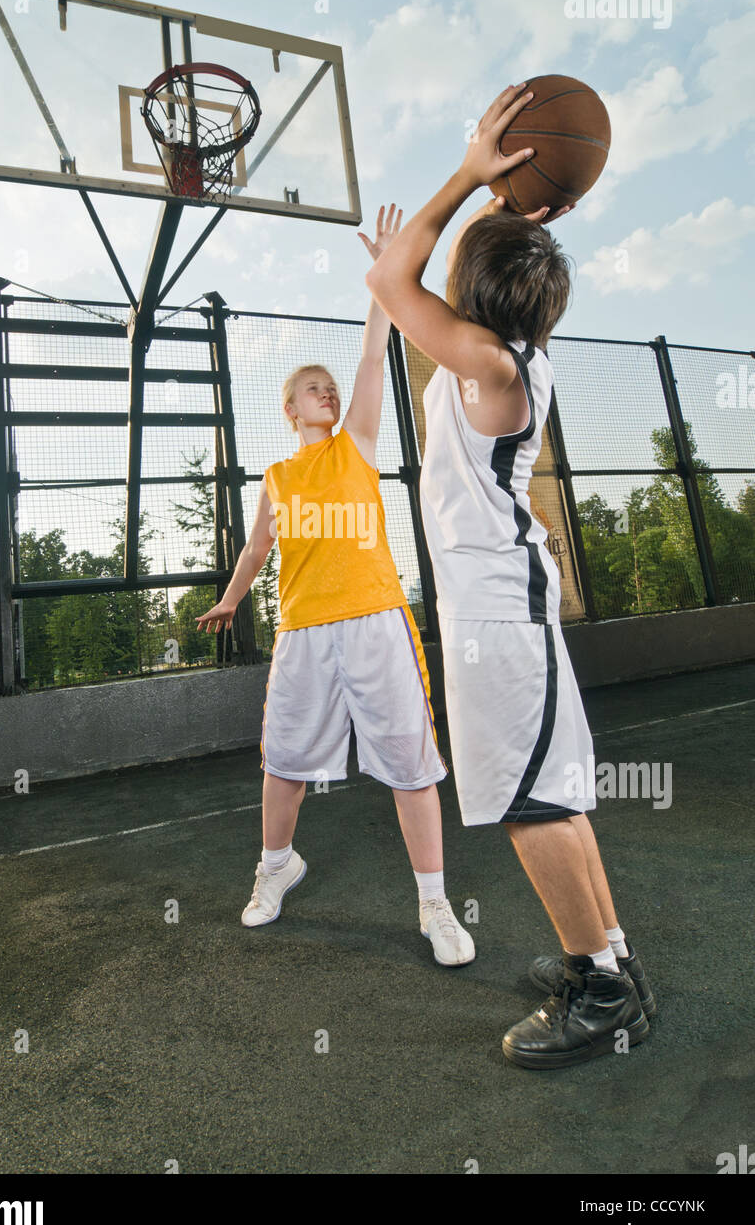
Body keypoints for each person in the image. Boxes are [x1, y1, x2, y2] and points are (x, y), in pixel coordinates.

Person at [365, 82, 655, 1067]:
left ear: (474, 292)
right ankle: (604, 957)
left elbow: (392, 280)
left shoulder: (483, 362)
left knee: (531, 805)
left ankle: (601, 989)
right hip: (509, 612)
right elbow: (461, 271)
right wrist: (520, 198)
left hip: (498, 621)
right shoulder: (510, 354)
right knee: (553, 795)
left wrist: (464, 172)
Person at [195, 205, 474, 967]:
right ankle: (276, 866)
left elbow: (371, 349)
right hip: (303, 630)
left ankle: (433, 903)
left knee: (409, 763)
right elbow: (257, 549)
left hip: (375, 619)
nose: (324, 391)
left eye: (327, 385)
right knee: (282, 760)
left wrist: (384, 279)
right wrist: (229, 596)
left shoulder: (357, 443)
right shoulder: (280, 476)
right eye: (310, 388)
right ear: (289, 411)